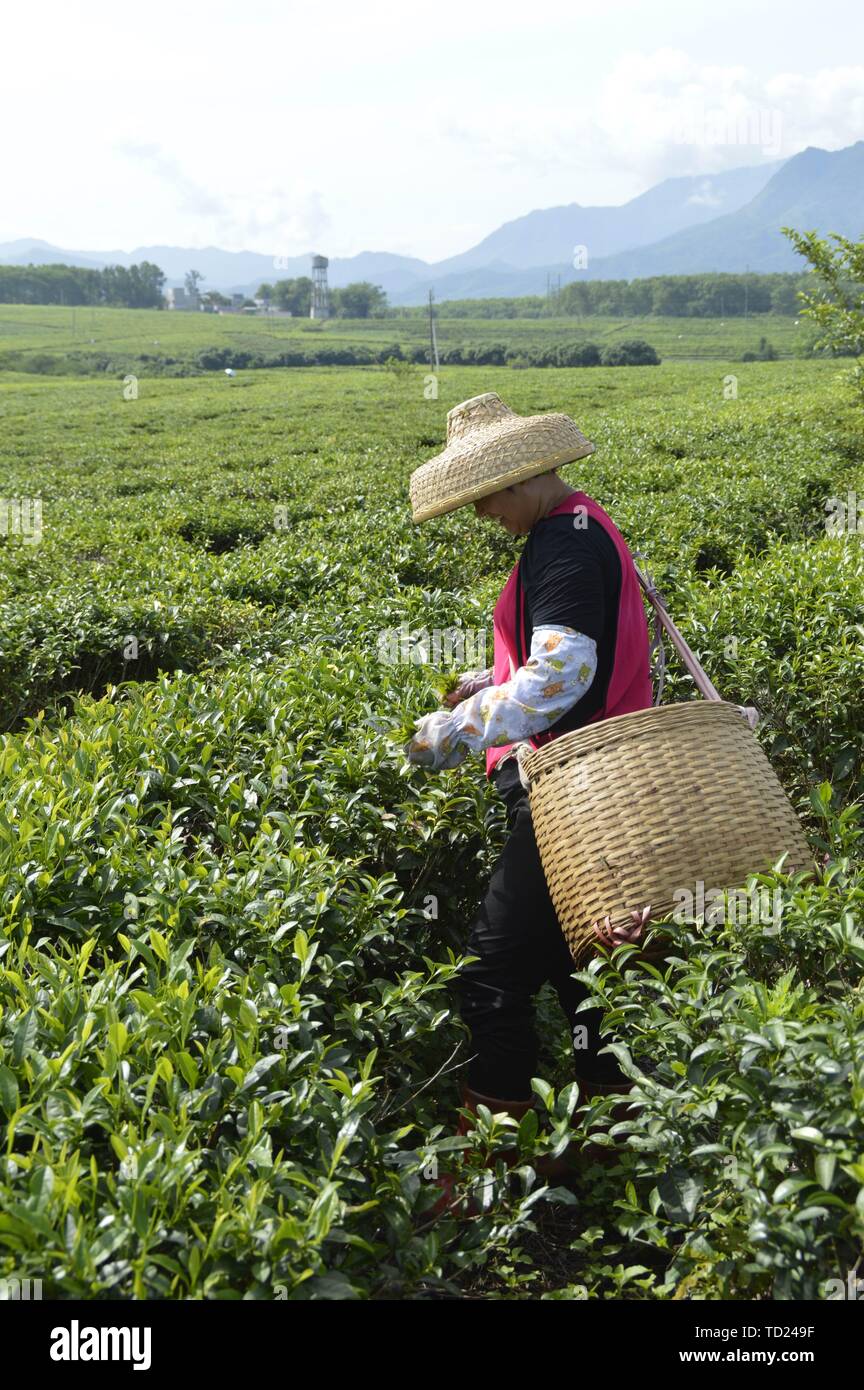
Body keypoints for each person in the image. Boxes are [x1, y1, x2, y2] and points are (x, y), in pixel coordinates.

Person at [404, 392, 656, 1196]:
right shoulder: (577, 526)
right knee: (582, 971)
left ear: (517, 481)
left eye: (482, 498)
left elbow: (563, 676)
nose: (481, 514)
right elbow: (568, 656)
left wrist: (452, 731)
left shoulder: (565, 546)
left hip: (570, 787)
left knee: (491, 972)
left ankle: (488, 1170)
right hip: (589, 778)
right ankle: (608, 1156)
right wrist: (490, 679)